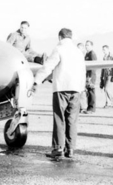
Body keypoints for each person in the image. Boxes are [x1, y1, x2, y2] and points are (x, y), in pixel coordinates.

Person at [29, 28, 86, 160]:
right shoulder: (79, 52)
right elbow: (83, 72)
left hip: (61, 89)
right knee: (72, 120)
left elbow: (48, 67)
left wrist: (37, 80)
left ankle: (58, 148)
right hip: (76, 90)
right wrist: (81, 89)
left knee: (59, 119)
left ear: (60, 37)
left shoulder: (59, 49)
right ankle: (70, 149)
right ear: (71, 37)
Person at [84, 40, 98, 113]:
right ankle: (89, 108)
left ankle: (92, 109)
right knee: (88, 92)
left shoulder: (92, 54)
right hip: (87, 76)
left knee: (91, 92)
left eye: (88, 45)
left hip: (91, 77)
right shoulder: (87, 54)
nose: (86, 46)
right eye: (86, 45)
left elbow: (93, 67)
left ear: (92, 46)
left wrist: (90, 78)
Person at [77, 43, 88, 112]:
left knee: (82, 92)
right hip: (77, 76)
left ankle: (83, 107)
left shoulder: (83, 55)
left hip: (81, 76)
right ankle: (80, 107)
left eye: (79, 48)